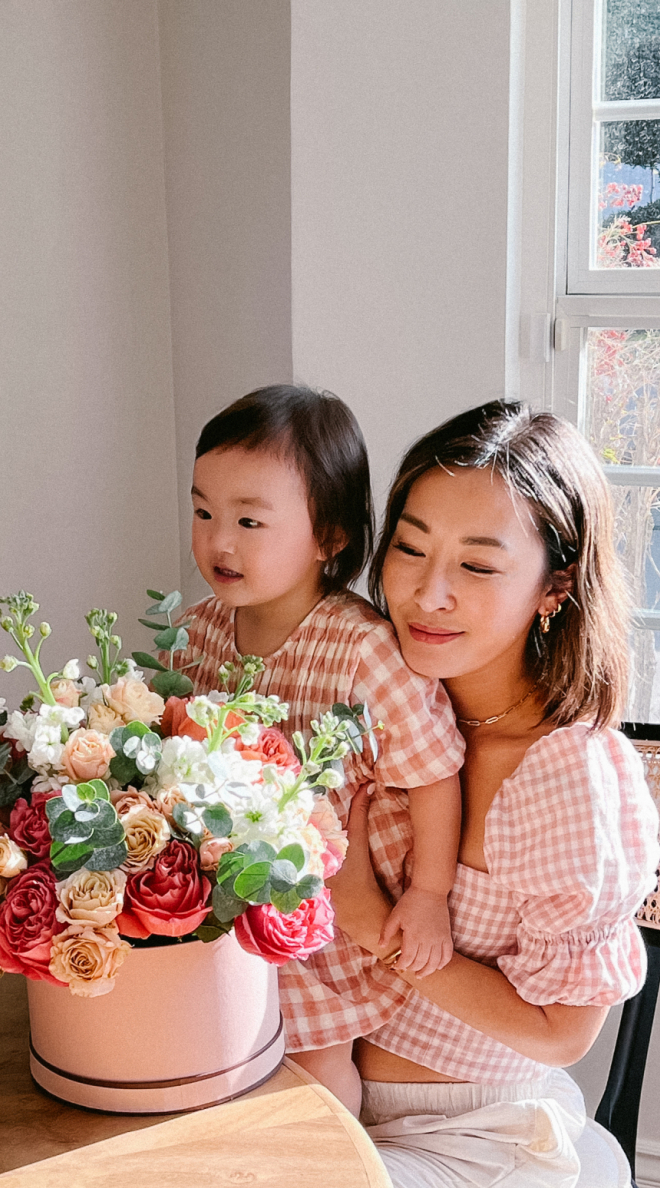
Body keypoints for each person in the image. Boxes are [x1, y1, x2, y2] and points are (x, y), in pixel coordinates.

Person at [325, 399, 660, 1188]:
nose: (428, 594)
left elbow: (562, 1034)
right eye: (409, 547)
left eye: (477, 565)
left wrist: (377, 929)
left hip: (478, 1141)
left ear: (555, 587)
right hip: (329, 1098)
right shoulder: (380, 706)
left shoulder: (567, 776)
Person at [174, 384, 464, 1115]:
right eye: (203, 511)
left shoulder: (362, 649)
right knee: (214, 1048)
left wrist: (428, 896)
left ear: (329, 535)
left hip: (324, 908)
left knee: (310, 1051)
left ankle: (339, 1185)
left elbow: (433, 772)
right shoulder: (199, 629)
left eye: (249, 520)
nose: (218, 541)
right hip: (228, 887)